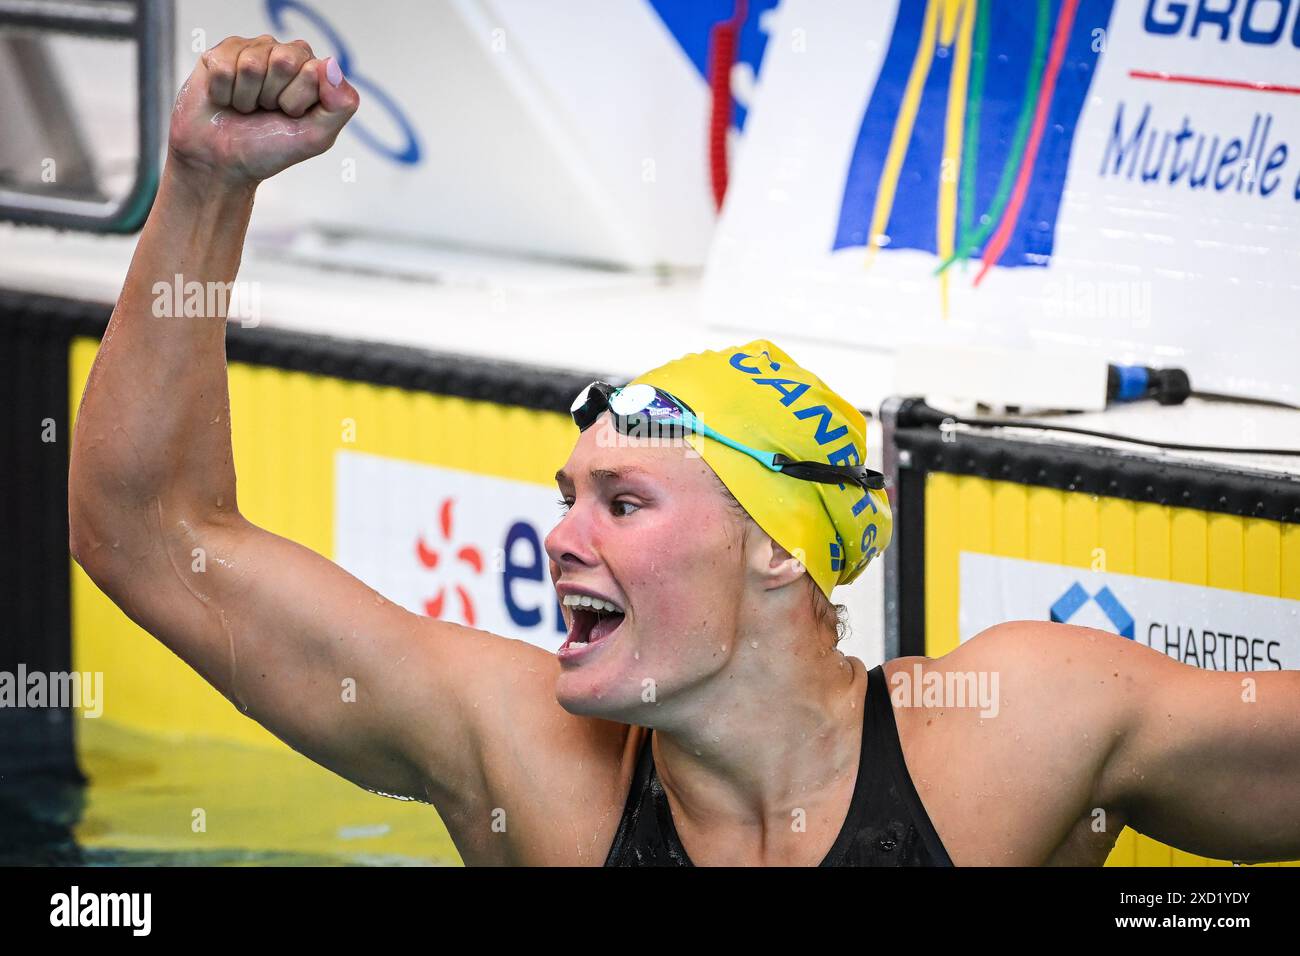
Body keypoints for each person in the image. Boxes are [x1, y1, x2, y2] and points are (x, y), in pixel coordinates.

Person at [68, 34, 1300, 867]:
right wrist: (202, 187)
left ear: (775, 547)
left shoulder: (1016, 740)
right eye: (568, 498)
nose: (561, 535)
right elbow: (149, 536)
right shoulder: (531, 768)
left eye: (623, 499)